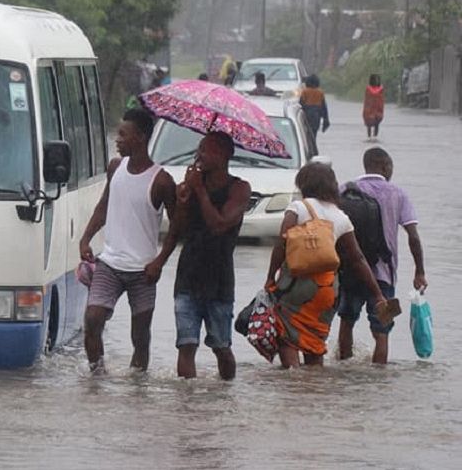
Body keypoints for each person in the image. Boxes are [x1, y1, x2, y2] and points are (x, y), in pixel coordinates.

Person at [79, 109, 177, 373]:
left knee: (140, 336)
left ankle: (137, 385)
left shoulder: (162, 181)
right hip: (109, 264)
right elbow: (104, 205)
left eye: (123, 134)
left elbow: (177, 227)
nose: (117, 140)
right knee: (92, 320)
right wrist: (86, 238)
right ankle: (97, 376)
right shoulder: (115, 167)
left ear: (141, 138)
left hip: (143, 272)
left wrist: (159, 261)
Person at [264, 163, 388, 368]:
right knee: (315, 342)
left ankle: (292, 389)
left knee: (286, 336)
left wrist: (270, 276)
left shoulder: (298, 208)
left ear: (304, 184)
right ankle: (317, 392)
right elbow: (357, 259)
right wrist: (377, 294)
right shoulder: (341, 217)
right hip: (326, 289)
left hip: (296, 284)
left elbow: (282, 242)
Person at [161, 132, 250, 380]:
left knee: (221, 347)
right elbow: (177, 229)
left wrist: (200, 191)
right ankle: (187, 403)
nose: (200, 155)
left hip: (219, 281)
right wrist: (182, 200)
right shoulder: (191, 185)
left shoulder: (240, 189)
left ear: (225, 156)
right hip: (188, 276)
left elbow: (219, 225)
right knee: (186, 344)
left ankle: (225, 393)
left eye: (207, 150)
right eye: (199, 149)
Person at [338, 148, 426, 364]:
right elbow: (413, 236)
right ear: (386, 166)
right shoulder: (397, 193)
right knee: (382, 331)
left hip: (350, 270)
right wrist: (419, 271)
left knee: (346, 321)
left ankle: (342, 371)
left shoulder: (345, 189)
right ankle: (379, 382)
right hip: (383, 273)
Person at [299, 74, 330, 142]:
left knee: (306, 133)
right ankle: (313, 147)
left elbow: (301, 104)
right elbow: (324, 107)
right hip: (316, 116)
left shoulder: (305, 92)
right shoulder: (320, 92)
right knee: (314, 133)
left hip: (306, 115)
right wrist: (326, 119)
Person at [362, 74, 385, 140]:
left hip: (378, 109)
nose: (376, 81)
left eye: (377, 80)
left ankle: (375, 137)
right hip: (369, 109)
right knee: (369, 124)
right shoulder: (368, 88)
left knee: (377, 124)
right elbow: (367, 99)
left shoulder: (381, 89)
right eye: (375, 80)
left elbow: (382, 99)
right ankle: (369, 137)